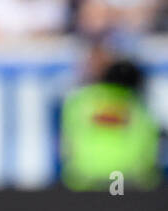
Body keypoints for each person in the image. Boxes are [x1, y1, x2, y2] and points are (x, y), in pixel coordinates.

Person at [62, 55, 161, 190]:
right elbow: (149, 148)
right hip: (128, 180)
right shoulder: (138, 106)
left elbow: (68, 141)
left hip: (84, 179)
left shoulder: (79, 101)